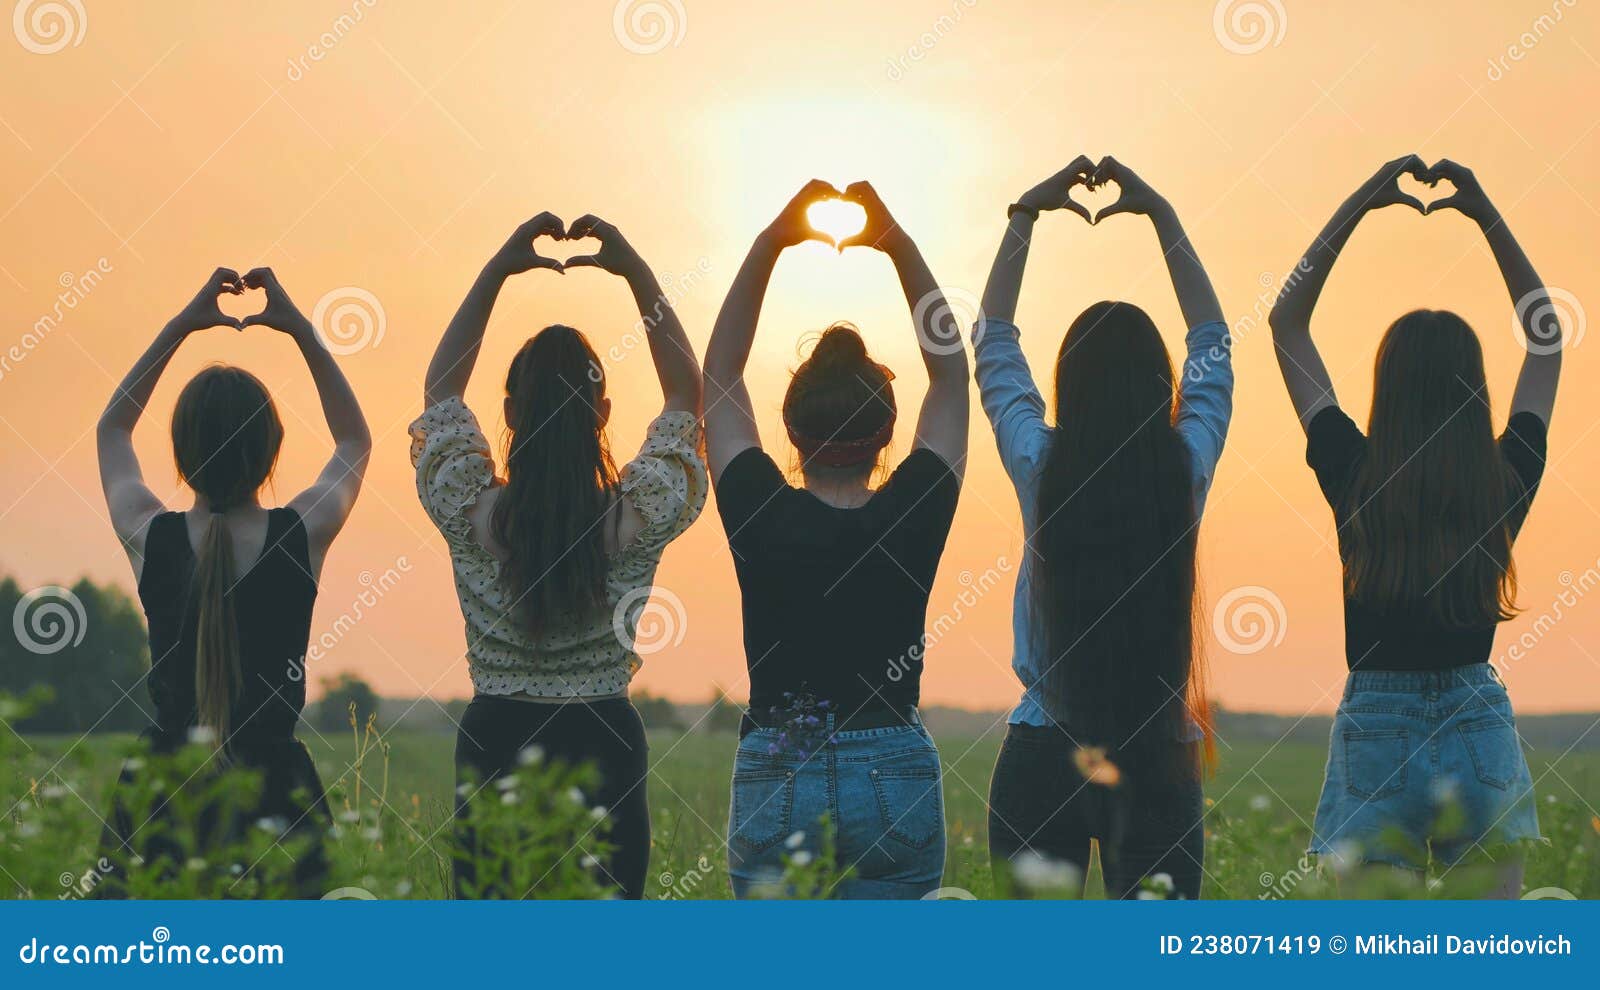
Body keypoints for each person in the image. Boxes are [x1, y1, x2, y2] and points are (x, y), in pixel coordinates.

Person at [1269, 157, 1558, 894]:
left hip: (1377, 723)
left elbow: (1286, 323)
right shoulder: (1502, 480)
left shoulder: (1354, 473)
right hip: (1477, 720)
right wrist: (1484, 208)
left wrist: (1363, 203)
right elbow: (1547, 335)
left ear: (1385, 387)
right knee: (1492, 957)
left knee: (1376, 957)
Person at [413, 212, 705, 899]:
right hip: (604, 739)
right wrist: (636, 271)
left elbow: (442, 394)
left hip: (494, 739)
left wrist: (497, 272)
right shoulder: (638, 515)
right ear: (602, 414)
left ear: (510, 414)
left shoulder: (468, 506)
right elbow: (687, 398)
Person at [977, 157, 1233, 900]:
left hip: (1041, 753)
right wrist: (1163, 217)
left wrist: (1025, 214)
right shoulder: (1181, 467)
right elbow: (1213, 346)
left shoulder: (1041, 462)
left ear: (1069, 382)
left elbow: (993, 344)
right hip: (1158, 755)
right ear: (1163, 386)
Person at [703, 180, 968, 898]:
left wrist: (771, 242)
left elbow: (719, 375)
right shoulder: (915, 509)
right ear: (888, 432)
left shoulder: (758, 508)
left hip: (776, 760)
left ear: (788, 430)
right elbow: (950, 372)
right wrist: (895, 243)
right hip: (894, 764)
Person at [95, 267, 371, 897]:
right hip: (279, 794)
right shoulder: (303, 532)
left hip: (160, 793)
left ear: (181, 451)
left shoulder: (148, 534)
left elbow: (113, 429)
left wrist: (182, 326)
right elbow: (354, 438)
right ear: (273, 449)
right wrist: (300, 328)